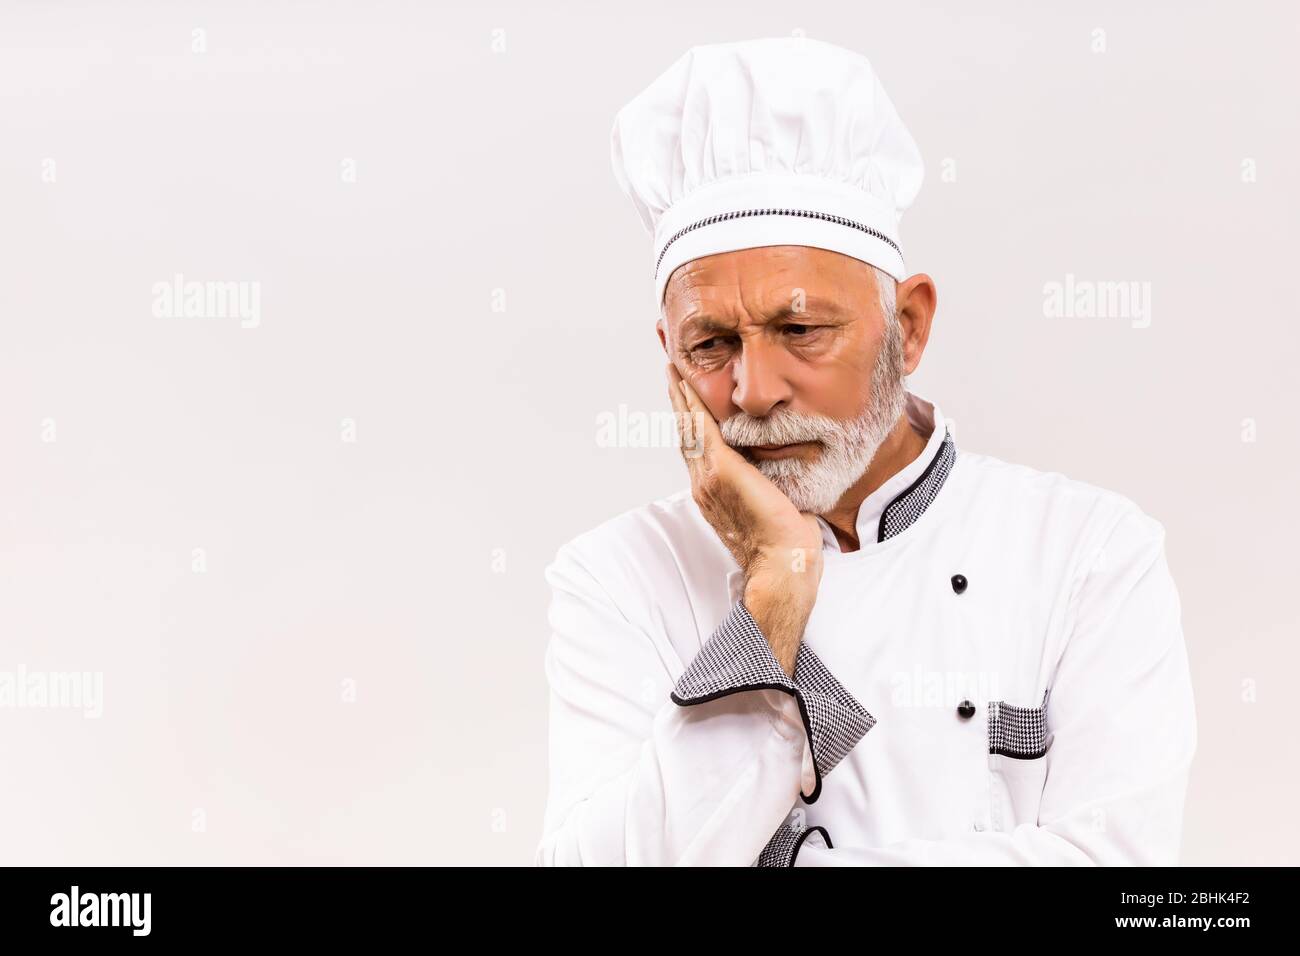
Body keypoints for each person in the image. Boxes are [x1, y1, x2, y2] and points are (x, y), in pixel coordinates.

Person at [534, 37, 1197, 866]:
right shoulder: (617, 577)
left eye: (800, 329)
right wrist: (775, 590)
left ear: (908, 328)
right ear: (669, 356)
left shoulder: (1089, 552)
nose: (752, 391)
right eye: (711, 344)